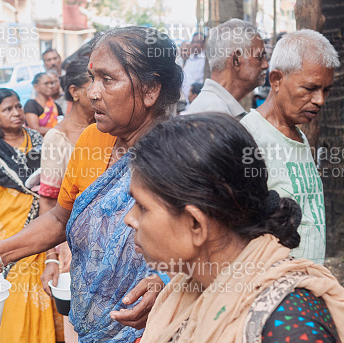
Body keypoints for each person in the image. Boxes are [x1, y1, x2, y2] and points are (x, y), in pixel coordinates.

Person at [0, 26, 183, 342]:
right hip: (89, 327)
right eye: (92, 78)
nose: (92, 92)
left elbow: (215, 251)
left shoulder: (185, 155)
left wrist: (165, 282)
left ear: (149, 89)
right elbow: (60, 218)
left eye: (107, 79)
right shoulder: (93, 139)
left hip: (155, 329)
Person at [125, 113, 344, 342]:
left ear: (196, 224)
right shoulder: (187, 287)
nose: (129, 218)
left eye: (142, 206)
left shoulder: (291, 324)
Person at [0, 88, 58, 342]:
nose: (17, 113)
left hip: (43, 225)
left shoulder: (38, 141)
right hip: (9, 232)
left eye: (18, 106)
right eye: (7, 109)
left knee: (44, 287)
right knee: (16, 293)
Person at [241, 29, 340, 264]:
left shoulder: (298, 134)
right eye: (310, 88)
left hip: (306, 288)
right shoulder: (249, 137)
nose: (320, 100)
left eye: (326, 90)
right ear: (276, 80)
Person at [39, 57, 96, 343]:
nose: (99, 91)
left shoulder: (108, 131)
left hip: (105, 248)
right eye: (92, 83)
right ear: (74, 91)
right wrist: (52, 255)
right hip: (70, 248)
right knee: (76, 326)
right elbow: (48, 204)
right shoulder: (57, 139)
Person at [188, 19, 269, 117]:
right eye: (259, 57)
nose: (265, 65)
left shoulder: (217, 107)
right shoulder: (214, 113)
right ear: (236, 60)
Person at [24, 72, 64, 136]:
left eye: (51, 83)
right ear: (36, 87)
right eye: (46, 83)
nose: (51, 86)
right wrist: (57, 130)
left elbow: (62, 124)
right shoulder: (31, 104)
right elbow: (35, 129)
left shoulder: (55, 106)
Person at [182, 33, 205, 104]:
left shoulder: (205, 60)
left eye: (198, 42)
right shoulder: (189, 60)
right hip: (186, 103)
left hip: (198, 102)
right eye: (193, 42)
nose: (195, 45)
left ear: (203, 44)